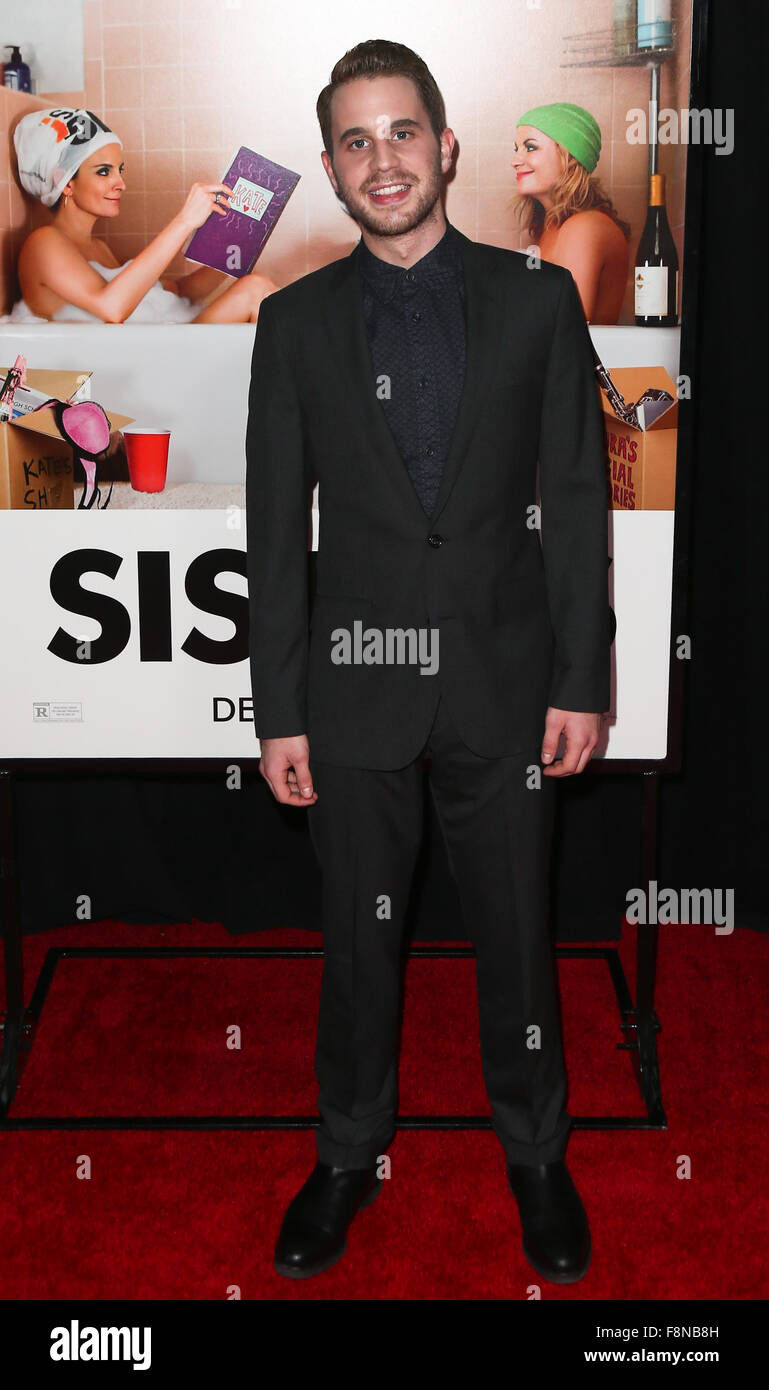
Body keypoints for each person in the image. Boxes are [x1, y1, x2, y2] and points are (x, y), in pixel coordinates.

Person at [246, 40, 610, 1285]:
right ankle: (347, 1152)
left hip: (508, 686)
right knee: (358, 944)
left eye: (401, 132)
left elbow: (574, 499)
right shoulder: (291, 323)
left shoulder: (535, 300)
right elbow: (271, 530)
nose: (381, 158)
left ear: (445, 147)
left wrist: (581, 680)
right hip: (351, 691)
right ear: (334, 171)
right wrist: (278, 705)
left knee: (517, 938)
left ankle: (536, 1156)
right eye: (354, 140)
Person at [9, 107, 276, 324]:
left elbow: (181, 292)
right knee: (257, 290)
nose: (120, 183)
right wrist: (184, 220)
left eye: (119, 170)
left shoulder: (98, 248)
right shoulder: (42, 244)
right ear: (65, 182)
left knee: (258, 290)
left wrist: (239, 243)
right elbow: (112, 308)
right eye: (104, 171)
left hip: (153, 351)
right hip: (133, 365)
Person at [512, 102, 630, 324]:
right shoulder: (551, 228)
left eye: (530, 147)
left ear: (570, 156)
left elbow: (565, 326)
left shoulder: (585, 227)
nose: (515, 161)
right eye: (516, 149)